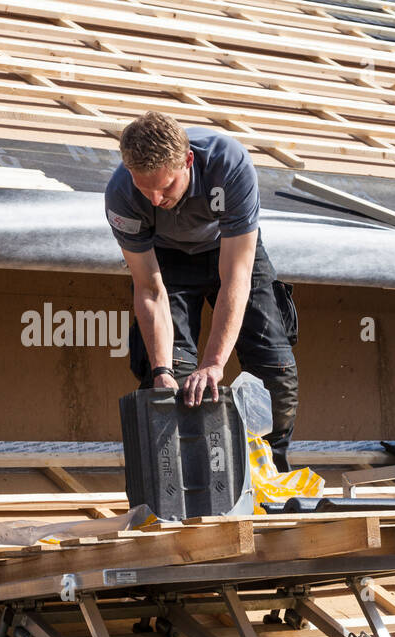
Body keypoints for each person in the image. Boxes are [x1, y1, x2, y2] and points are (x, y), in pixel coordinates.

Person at [105, 111, 299, 472]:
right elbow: (149, 288)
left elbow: (236, 277)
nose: (155, 198)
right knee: (167, 380)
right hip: (168, 259)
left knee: (276, 367)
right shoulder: (121, 195)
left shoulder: (229, 164)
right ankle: (186, 483)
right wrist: (162, 368)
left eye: (165, 186)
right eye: (144, 188)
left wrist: (213, 364)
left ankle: (271, 472)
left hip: (231, 248)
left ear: (188, 161)